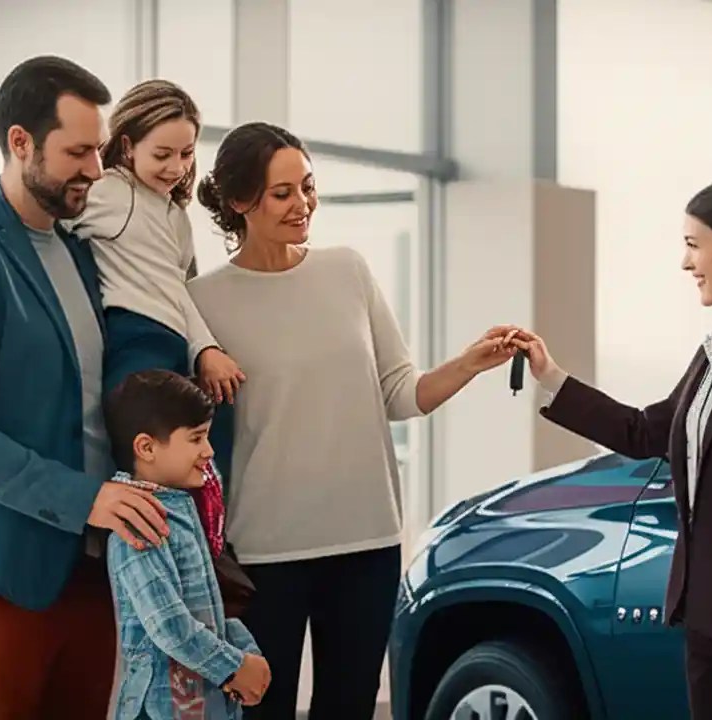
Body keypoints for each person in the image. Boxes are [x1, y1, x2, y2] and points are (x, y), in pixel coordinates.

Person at [187, 121, 521, 719]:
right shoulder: (203, 301)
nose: (303, 204)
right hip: (264, 549)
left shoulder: (347, 270)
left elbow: (400, 392)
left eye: (308, 187)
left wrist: (471, 363)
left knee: (349, 708)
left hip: (366, 541)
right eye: (282, 192)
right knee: (261, 709)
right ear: (240, 201)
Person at [0, 56, 170, 719]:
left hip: (91, 566)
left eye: (98, 152)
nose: (95, 170)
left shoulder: (82, 251)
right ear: (20, 143)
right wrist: (87, 500)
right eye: (77, 152)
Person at [511, 175, 712, 720]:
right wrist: (552, 377)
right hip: (708, 621)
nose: (686, 264)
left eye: (694, 245)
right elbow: (647, 432)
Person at [67, 78, 235, 570]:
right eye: (162, 154)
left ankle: (208, 542)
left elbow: (181, 292)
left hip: (172, 344)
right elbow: (46, 226)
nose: (176, 167)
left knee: (214, 423)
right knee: (150, 449)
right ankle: (127, 550)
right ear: (126, 145)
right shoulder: (110, 192)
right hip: (132, 340)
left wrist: (204, 349)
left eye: (186, 154)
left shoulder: (176, 216)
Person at [103, 369, 269, 719]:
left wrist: (245, 654)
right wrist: (234, 666)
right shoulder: (139, 521)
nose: (208, 451)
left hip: (198, 703)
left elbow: (205, 613)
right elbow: (168, 625)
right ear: (146, 447)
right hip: (164, 709)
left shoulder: (177, 510)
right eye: (196, 439)